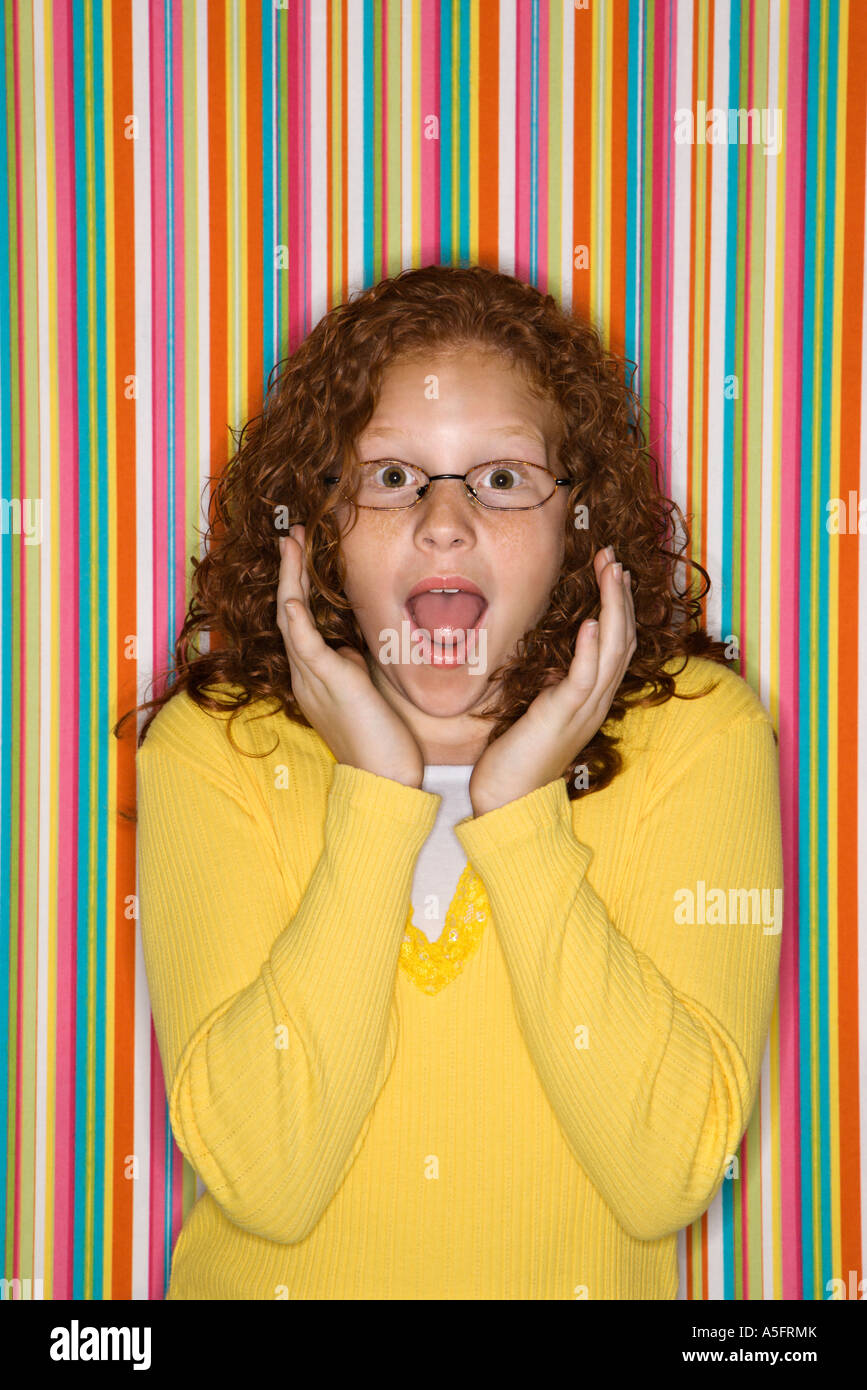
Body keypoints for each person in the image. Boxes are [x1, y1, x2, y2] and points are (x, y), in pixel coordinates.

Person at [126, 264, 783, 1300]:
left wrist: (520, 811)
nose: (444, 521)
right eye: (391, 477)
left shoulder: (696, 733)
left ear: (581, 524)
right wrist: (379, 794)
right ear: (318, 527)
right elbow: (266, 1179)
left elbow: (667, 1174)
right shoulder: (217, 750)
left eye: (503, 478)